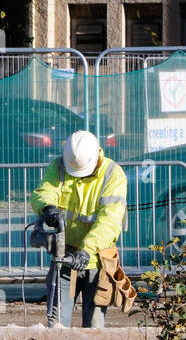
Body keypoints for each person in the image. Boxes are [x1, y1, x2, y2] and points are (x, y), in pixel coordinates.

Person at [30, 129, 127, 328]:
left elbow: (109, 221)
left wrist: (86, 250)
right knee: (57, 325)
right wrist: (47, 207)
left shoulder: (112, 174)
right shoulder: (59, 166)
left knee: (94, 327)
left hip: (97, 259)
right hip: (64, 258)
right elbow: (45, 191)